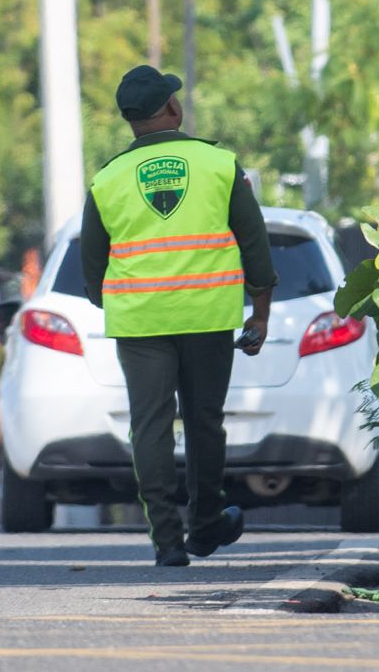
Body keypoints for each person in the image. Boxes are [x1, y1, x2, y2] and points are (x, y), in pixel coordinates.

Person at [81, 65, 278, 567]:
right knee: (204, 422)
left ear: (130, 121)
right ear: (173, 108)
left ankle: (167, 542)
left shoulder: (107, 180)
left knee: (149, 427)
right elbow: (254, 245)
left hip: (141, 321)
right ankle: (206, 526)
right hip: (207, 315)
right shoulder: (217, 164)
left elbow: (91, 271)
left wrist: (125, 303)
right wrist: (260, 314)